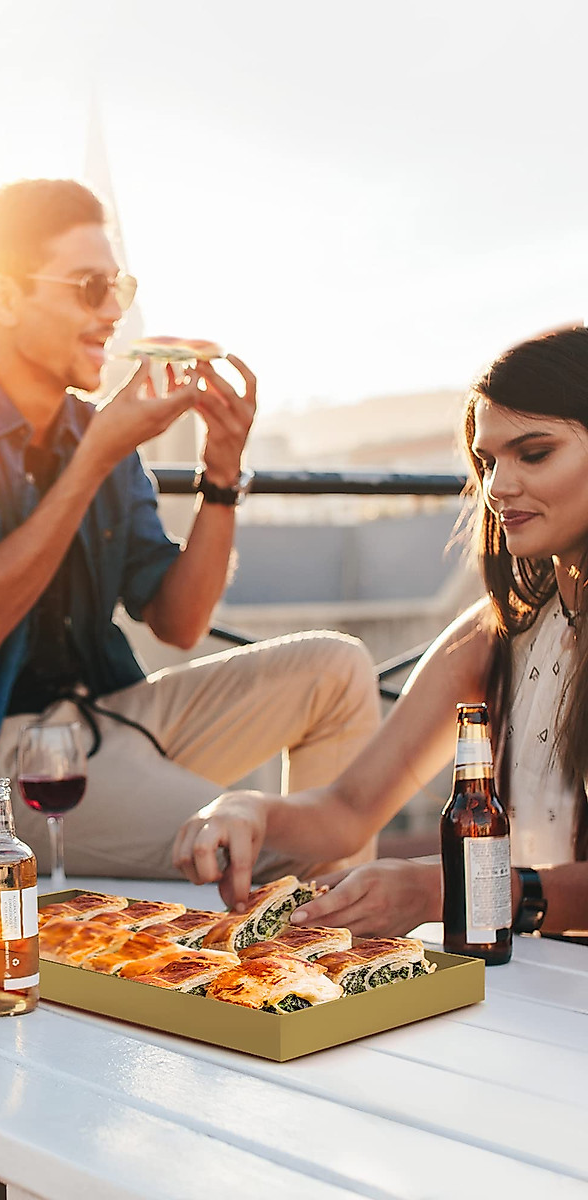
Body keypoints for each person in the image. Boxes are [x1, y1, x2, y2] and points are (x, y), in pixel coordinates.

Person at [0, 178, 381, 875]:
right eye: (90, 288)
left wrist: (220, 478)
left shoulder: (91, 431)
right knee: (274, 844)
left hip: (109, 719)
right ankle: (321, 933)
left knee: (335, 669)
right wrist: (98, 453)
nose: (112, 315)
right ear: (6, 296)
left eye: (118, 290)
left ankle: (326, 933)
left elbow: (179, 621)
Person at [176, 326, 588, 937]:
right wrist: (248, 809)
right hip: (523, 981)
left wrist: (449, 888)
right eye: (488, 460)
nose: (498, 488)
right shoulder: (495, 634)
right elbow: (348, 809)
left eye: (534, 453)